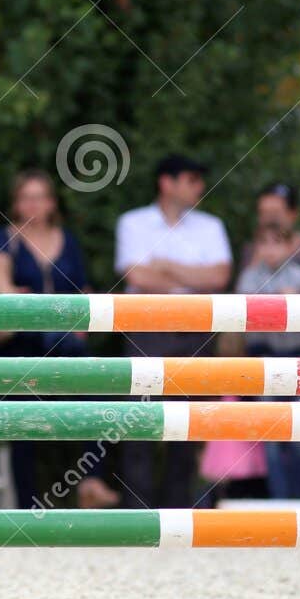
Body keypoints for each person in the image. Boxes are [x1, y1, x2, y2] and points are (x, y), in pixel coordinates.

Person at [0, 170, 117, 510]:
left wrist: (83, 321)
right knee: (23, 429)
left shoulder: (67, 239)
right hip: (23, 347)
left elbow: (84, 292)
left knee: (99, 392)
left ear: (51, 203)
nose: (33, 204)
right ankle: (24, 507)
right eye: (26, 197)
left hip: (66, 343)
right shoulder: (5, 239)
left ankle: (92, 480)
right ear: (16, 203)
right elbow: (2, 291)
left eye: (39, 196)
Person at [113, 154, 232, 508]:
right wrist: (192, 277)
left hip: (195, 332)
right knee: (139, 427)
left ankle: (178, 518)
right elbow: (136, 276)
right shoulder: (133, 222)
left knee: (189, 430)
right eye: (192, 179)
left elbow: (220, 278)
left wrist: (164, 267)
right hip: (148, 330)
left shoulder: (211, 225)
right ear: (167, 183)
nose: (200, 187)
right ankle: (136, 517)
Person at [237, 223, 300, 499]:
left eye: (277, 243)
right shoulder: (250, 277)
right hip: (266, 362)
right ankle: (278, 501)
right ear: (257, 248)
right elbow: (244, 311)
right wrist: (282, 300)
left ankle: (299, 500)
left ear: (289, 247)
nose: (270, 250)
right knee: (270, 437)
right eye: (264, 243)